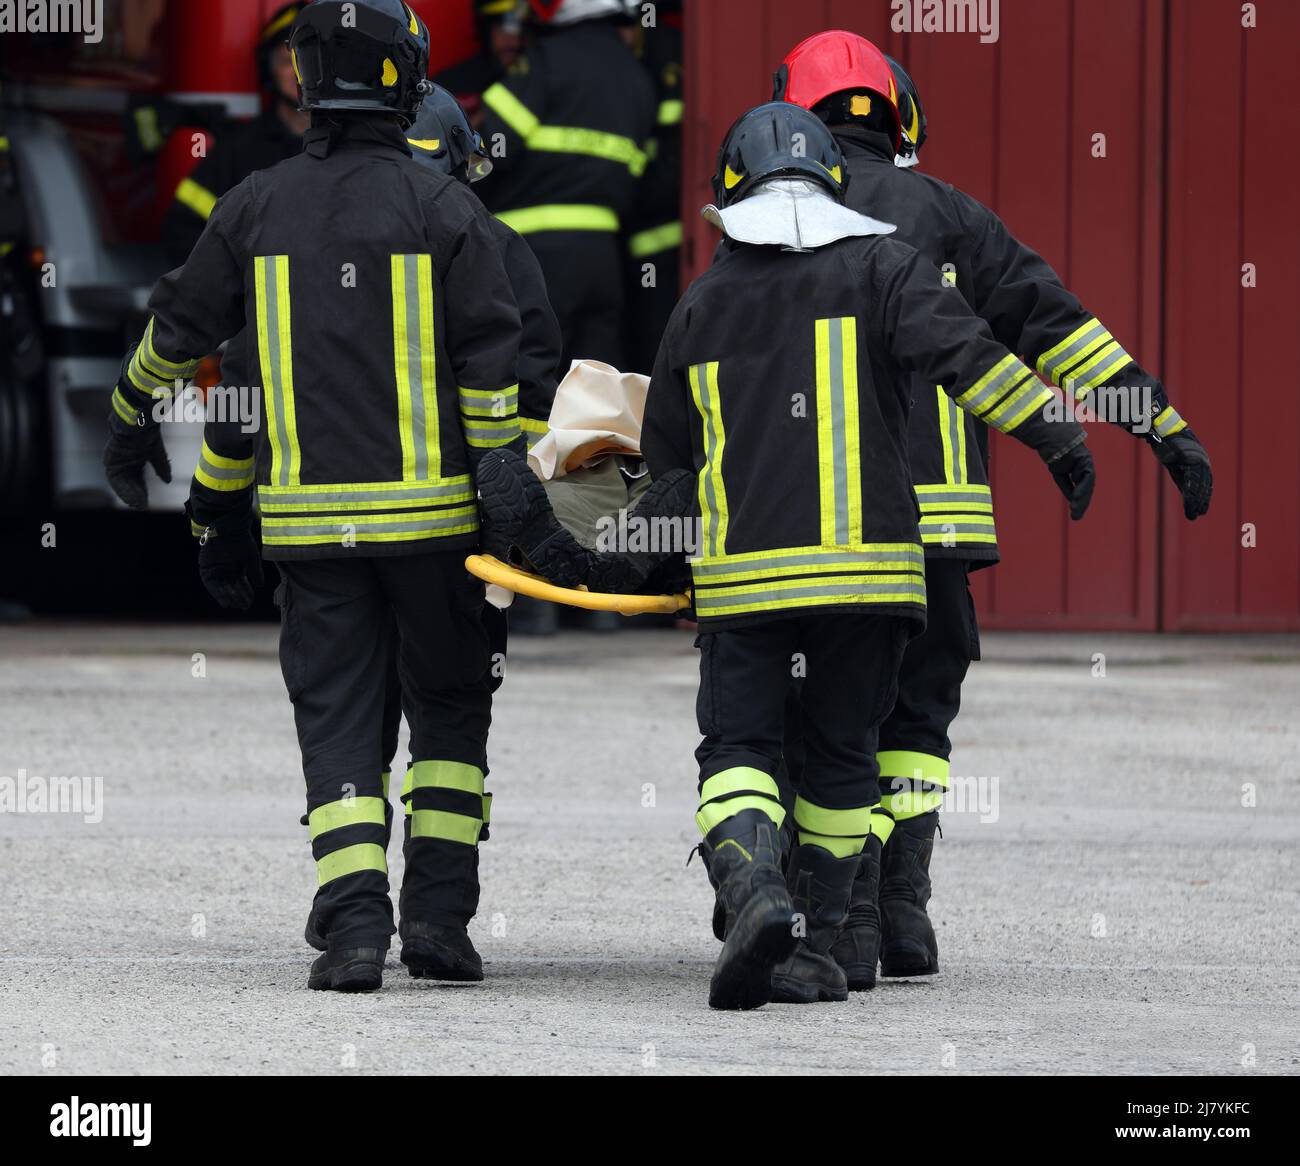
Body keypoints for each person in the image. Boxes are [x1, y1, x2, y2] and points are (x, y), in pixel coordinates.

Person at [103, 0, 531, 993]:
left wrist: (128, 417)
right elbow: (490, 353)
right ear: (404, 79)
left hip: (309, 531)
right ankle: (437, 920)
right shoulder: (446, 210)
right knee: (449, 713)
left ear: (307, 79)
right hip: (436, 532)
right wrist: (504, 474)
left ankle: (349, 928)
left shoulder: (252, 204)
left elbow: (181, 327)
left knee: (337, 721)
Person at [771, 32, 1213, 988]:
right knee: (918, 720)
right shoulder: (952, 216)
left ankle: (836, 916)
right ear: (902, 115)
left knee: (825, 719)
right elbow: (1056, 324)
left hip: (819, 532)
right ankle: (904, 911)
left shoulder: (780, 214)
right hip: (941, 531)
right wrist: (1160, 424)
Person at [641, 101, 1095, 1009]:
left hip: (748, 586)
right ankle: (825, 949)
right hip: (877, 579)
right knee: (847, 754)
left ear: (733, 190)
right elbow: (974, 359)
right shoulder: (889, 268)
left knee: (741, 748)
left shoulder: (705, 301)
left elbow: (669, 465)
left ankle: (757, 893)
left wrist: (639, 558)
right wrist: (1058, 437)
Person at [475, 0, 656, 370]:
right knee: (596, 385)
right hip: (602, 261)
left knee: (532, 374)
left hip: (533, 255)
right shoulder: (639, 79)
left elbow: (491, 147)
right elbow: (639, 171)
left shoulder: (547, 60)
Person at [160, 2, 310, 266]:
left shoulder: (354, 148)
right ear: (268, 70)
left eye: (310, 61)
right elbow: (184, 234)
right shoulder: (236, 152)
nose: (299, 73)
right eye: (288, 61)